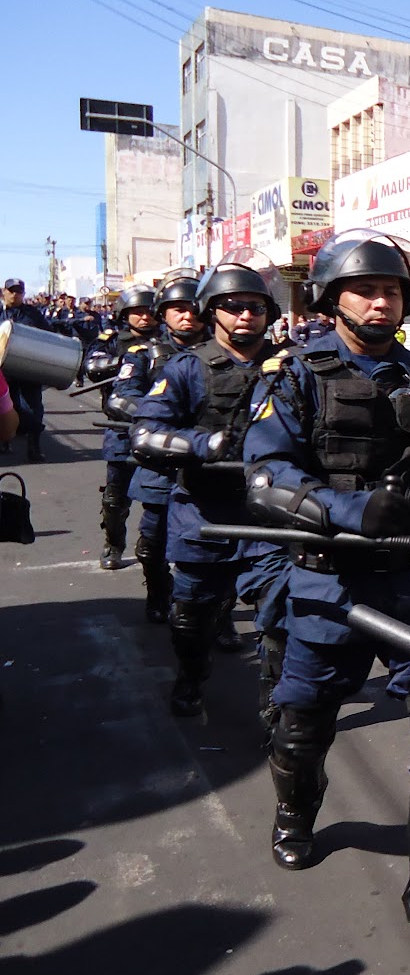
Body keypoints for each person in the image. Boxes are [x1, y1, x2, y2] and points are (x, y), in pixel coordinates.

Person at [242, 229, 410, 969]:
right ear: (331, 298)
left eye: (393, 291)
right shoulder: (296, 371)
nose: (381, 301)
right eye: (365, 290)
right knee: (301, 725)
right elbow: (265, 477)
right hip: (327, 579)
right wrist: (349, 513)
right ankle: (295, 809)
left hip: (409, 584)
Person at [131, 264, 282, 715]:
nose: (245, 316)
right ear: (211, 313)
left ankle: (282, 703)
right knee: (191, 614)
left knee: (280, 616)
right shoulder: (187, 368)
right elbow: (145, 434)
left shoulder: (292, 365)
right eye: (232, 307)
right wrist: (202, 443)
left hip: (272, 516)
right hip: (205, 514)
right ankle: (191, 676)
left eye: (255, 307)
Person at [110, 274, 207, 622]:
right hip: (161, 461)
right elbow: (121, 398)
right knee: (153, 542)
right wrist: (160, 418)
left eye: (193, 309)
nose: (186, 317)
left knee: (217, 547)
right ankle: (158, 593)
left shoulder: (221, 354)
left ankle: (219, 617)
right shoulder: (143, 354)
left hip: (209, 462)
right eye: (177, 309)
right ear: (162, 314)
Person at [83, 284, 162, 567]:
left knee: (161, 495)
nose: (144, 317)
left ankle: (153, 544)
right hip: (121, 426)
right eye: (137, 312)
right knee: (116, 496)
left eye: (149, 311)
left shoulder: (169, 339)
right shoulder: (113, 339)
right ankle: (113, 543)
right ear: (124, 314)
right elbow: (92, 366)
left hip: (161, 427)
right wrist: (127, 363)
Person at [0, 278, 52, 460]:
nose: (15, 294)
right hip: (5, 370)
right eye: (11, 290)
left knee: (33, 407)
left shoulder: (32, 313)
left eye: (19, 291)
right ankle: (6, 440)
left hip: (29, 368)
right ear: (4, 292)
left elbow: (48, 334)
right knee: (7, 406)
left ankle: (34, 447)